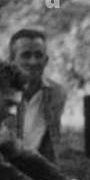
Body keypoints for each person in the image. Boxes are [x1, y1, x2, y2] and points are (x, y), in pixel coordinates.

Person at [9, 28, 67, 160]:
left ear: (46, 60)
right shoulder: (1, 92)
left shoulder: (56, 93)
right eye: (26, 55)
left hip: (38, 168)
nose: (33, 62)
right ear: (11, 60)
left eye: (38, 55)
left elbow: (51, 143)